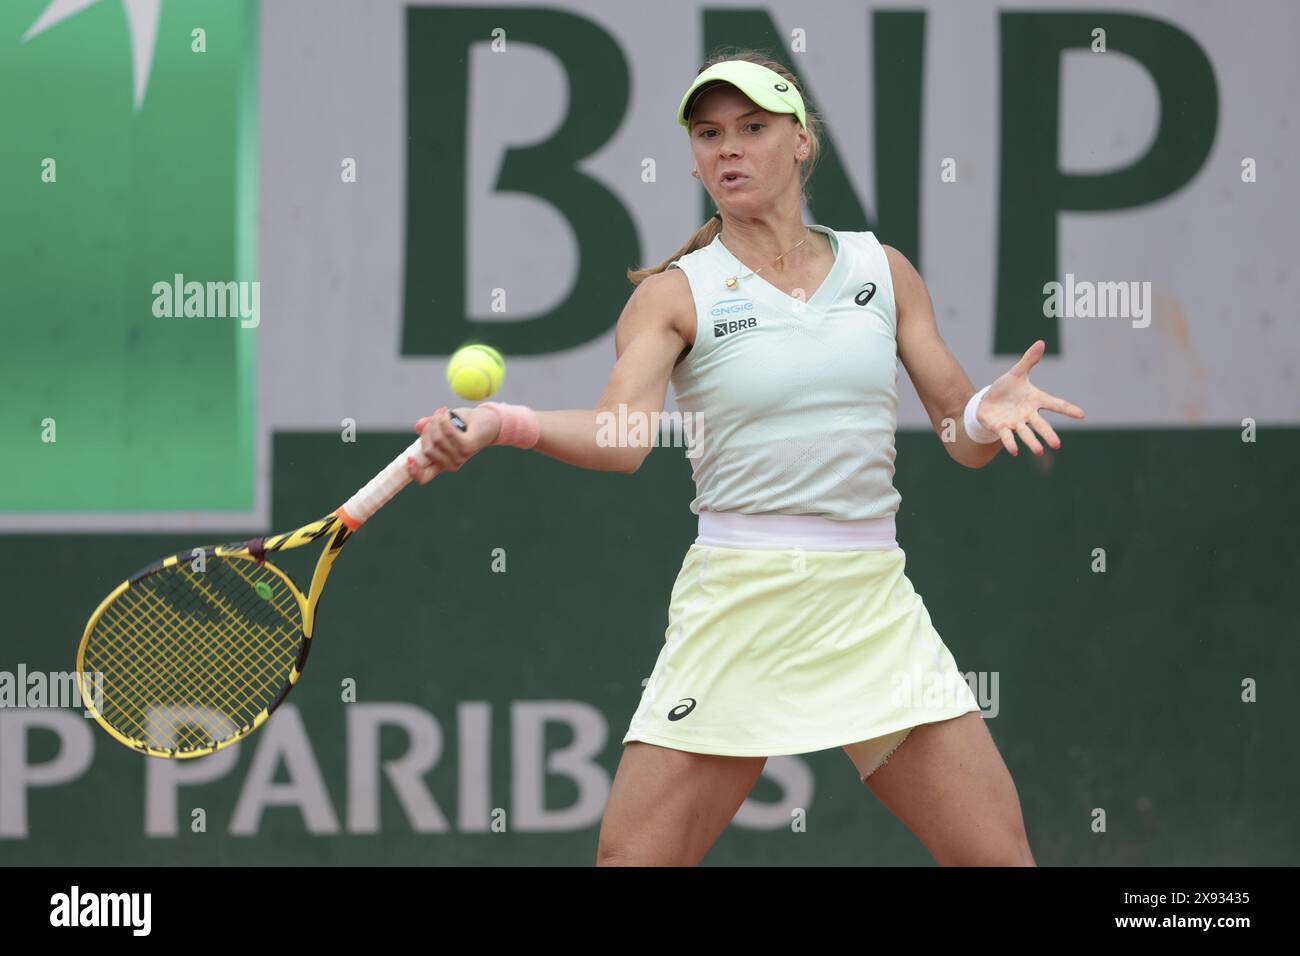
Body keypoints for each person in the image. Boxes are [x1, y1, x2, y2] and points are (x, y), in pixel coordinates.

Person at [406, 51, 1085, 867]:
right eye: (708, 133)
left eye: (752, 129)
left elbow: (958, 436)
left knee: (999, 860)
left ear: (801, 142)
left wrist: (985, 412)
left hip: (868, 604)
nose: (728, 149)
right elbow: (622, 443)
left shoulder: (883, 271)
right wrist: (505, 422)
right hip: (740, 601)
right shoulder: (674, 293)